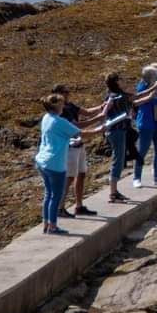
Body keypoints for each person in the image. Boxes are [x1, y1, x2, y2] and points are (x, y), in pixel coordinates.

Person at [35, 93, 104, 235]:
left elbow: (59, 137)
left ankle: (46, 224)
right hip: (55, 163)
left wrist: (70, 141)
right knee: (56, 196)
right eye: (62, 104)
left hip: (42, 161)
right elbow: (81, 133)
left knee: (48, 195)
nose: (64, 106)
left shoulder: (46, 118)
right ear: (57, 107)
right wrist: (99, 130)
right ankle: (53, 227)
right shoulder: (59, 121)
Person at [102, 72, 157, 203]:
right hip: (116, 131)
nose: (124, 80)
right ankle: (113, 193)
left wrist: (150, 96)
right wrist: (154, 88)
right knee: (117, 161)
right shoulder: (116, 96)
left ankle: (115, 191)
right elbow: (136, 97)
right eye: (121, 78)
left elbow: (135, 101)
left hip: (120, 131)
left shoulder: (117, 95)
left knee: (119, 159)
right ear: (117, 82)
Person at [52, 84, 108, 219]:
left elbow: (86, 111)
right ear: (58, 93)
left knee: (81, 174)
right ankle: (60, 207)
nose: (68, 94)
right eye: (65, 92)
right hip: (70, 147)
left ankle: (79, 206)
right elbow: (77, 126)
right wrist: (98, 120)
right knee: (69, 177)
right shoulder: (60, 111)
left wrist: (102, 107)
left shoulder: (70, 106)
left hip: (79, 145)